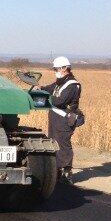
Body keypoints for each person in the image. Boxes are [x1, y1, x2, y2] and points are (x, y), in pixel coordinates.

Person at [38, 56, 81, 184]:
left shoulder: (72, 85)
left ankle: (66, 173)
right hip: (55, 118)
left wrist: (47, 97)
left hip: (64, 119)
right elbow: (50, 88)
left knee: (63, 144)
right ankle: (56, 171)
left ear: (64, 68)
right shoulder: (60, 82)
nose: (55, 71)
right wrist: (41, 88)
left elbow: (60, 101)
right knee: (54, 142)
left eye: (56, 69)